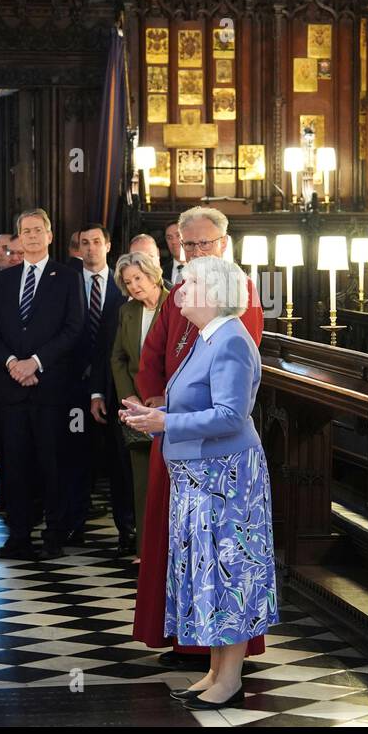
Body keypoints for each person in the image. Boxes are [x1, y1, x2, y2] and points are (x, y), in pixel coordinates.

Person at [120, 256, 277, 709]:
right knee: (208, 575)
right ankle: (214, 672)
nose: (179, 292)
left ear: (213, 292)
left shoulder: (231, 339)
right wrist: (153, 415)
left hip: (228, 477)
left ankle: (230, 680)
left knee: (231, 574)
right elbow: (192, 402)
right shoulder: (206, 336)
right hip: (200, 474)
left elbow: (230, 415)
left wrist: (165, 422)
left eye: (188, 284)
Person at [0, 208, 83, 561]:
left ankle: (54, 534)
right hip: (10, 390)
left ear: (50, 236)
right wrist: (12, 363)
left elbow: (73, 328)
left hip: (50, 387)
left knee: (52, 464)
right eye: (26, 231)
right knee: (14, 466)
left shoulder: (68, 278)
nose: (33, 236)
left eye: (38, 230)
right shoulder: (2, 281)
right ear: (19, 239)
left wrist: (35, 362)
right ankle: (19, 536)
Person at [66, 224, 131, 551]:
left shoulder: (124, 285)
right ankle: (71, 526)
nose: (90, 248)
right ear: (78, 248)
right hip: (71, 387)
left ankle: (127, 531)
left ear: (107, 245)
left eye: (95, 242)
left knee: (120, 463)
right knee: (73, 460)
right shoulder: (65, 282)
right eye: (84, 243)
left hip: (113, 388)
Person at [108, 251, 168, 562]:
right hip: (136, 408)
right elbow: (118, 358)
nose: (133, 286)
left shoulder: (175, 305)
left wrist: (163, 397)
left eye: (138, 278)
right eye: (128, 282)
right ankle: (146, 552)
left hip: (168, 406)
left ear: (152, 274)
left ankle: (169, 553)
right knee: (142, 483)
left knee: (167, 484)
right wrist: (129, 397)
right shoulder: (127, 311)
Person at [161, 221, 185, 286]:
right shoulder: (161, 273)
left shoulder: (202, 269)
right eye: (169, 238)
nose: (174, 241)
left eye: (178, 236)